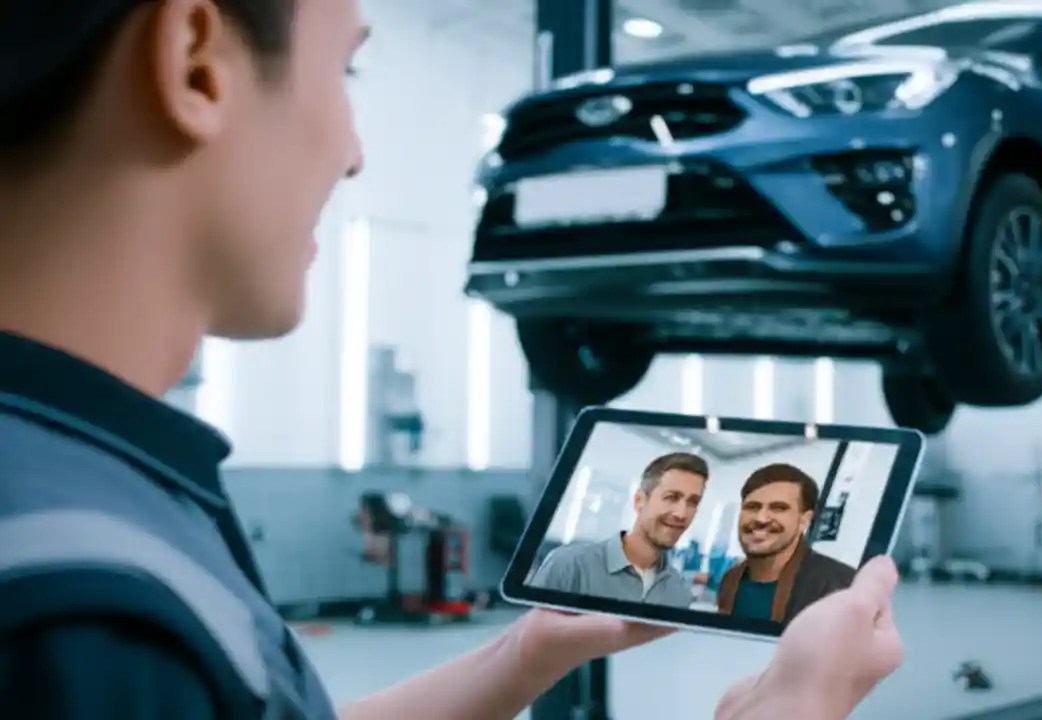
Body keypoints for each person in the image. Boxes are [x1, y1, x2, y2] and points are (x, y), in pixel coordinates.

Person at [0, 1, 903, 718]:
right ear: (196, 59)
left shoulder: (73, 492)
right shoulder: (94, 616)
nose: (354, 156)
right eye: (345, 69)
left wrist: (523, 654)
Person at [530, 452, 708, 607]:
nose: (682, 513)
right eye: (671, 497)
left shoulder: (678, 592)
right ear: (639, 500)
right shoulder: (569, 566)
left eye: (693, 502)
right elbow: (525, 639)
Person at [717, 464, 857, 624]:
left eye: (778, 508)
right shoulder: (730, 579)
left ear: (804, 520)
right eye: (752, 507)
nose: (761, 518)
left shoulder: (841, 586)